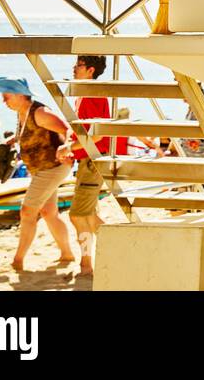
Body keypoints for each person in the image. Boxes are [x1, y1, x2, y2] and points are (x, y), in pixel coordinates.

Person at [0, 76, 75, 271]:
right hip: (41, 169)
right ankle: (67, 253)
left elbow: (68, 128)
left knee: (27, 211)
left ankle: (18, 260)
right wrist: (11, 140)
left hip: (53, 166)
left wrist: (67, 147)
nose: (4, 101)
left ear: (21, 95)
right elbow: (28, 133)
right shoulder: (22, 112)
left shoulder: (41, 112)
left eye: (6, 96)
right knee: (48, 212)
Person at [64, 55, 125, 275]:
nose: (73, 68)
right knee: (86, 214)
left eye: (78, 65)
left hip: (92, 161)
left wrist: (69, 147)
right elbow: (84, 131)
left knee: (78, 215)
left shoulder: (91, 93)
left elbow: (98, 135)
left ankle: (89, 262)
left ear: (90, 70)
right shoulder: (84, 93)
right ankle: (102, 256)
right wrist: (70, 147)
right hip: (87, 159)